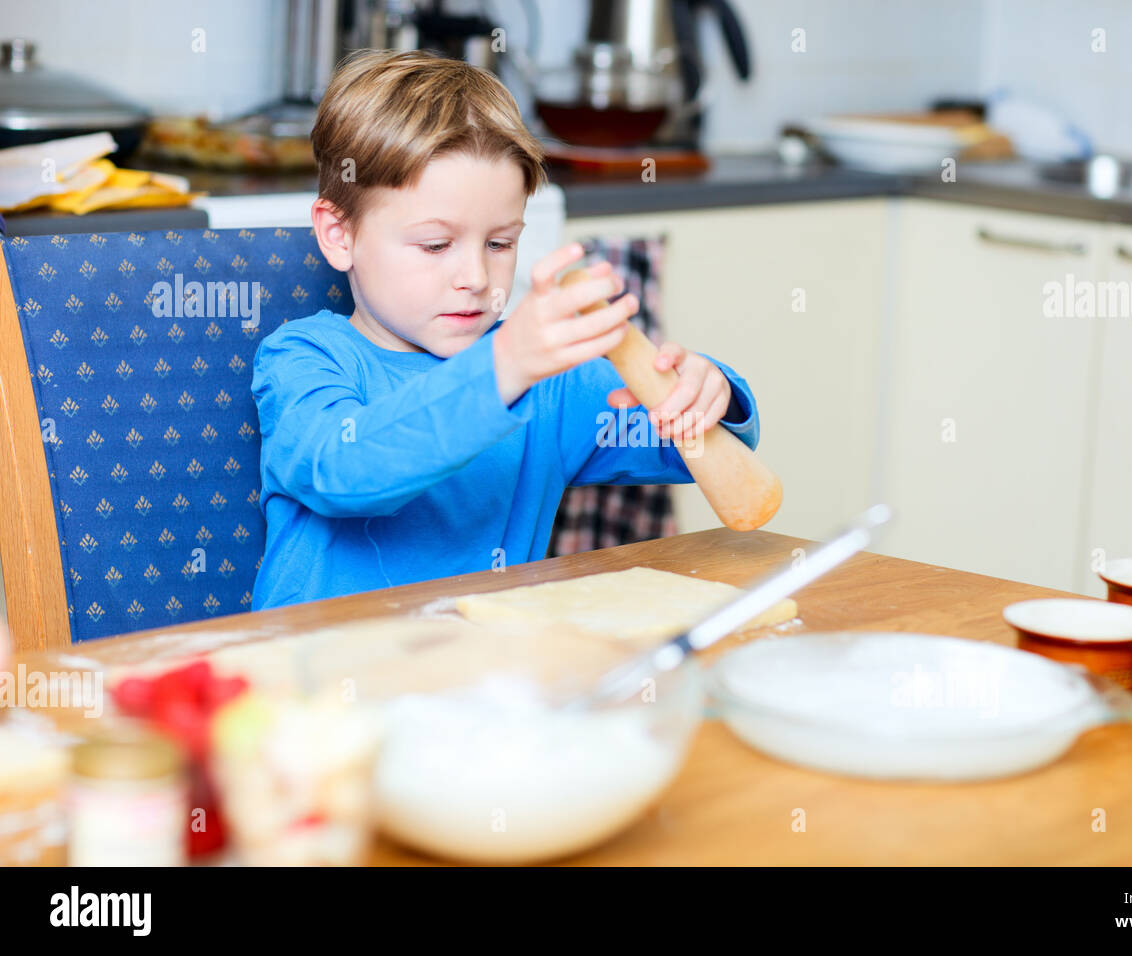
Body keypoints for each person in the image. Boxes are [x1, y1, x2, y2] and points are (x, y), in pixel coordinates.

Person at [251, 50, 762, 609]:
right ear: (339, 234)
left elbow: (714, 453)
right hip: (318, 681)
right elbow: (347, 473)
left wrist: (705, 392)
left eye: (500, 243)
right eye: (435, 245)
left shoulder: (550, 382)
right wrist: (503, 369)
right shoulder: (304, 359)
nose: (474, 277)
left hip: (485, 681)